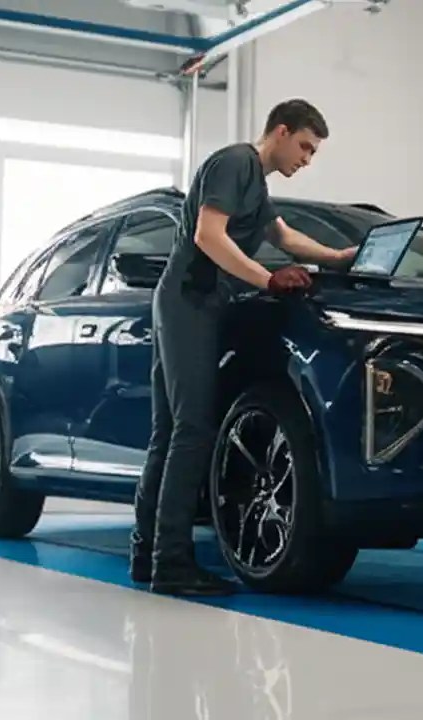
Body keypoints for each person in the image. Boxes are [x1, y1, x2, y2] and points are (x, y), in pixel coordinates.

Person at [130, 99, 355, 596]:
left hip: (195, 302)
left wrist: (338, 257)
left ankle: (147, 556)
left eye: (314, 153)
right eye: (304, 147)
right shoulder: (237, 162)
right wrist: (266, 278)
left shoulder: (257, 183)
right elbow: (207, 235)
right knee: (192, 429)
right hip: (190, 300)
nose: (307, 159)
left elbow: (284, 235)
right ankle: (171, 563)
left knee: (169, 432)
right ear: (280, 131)